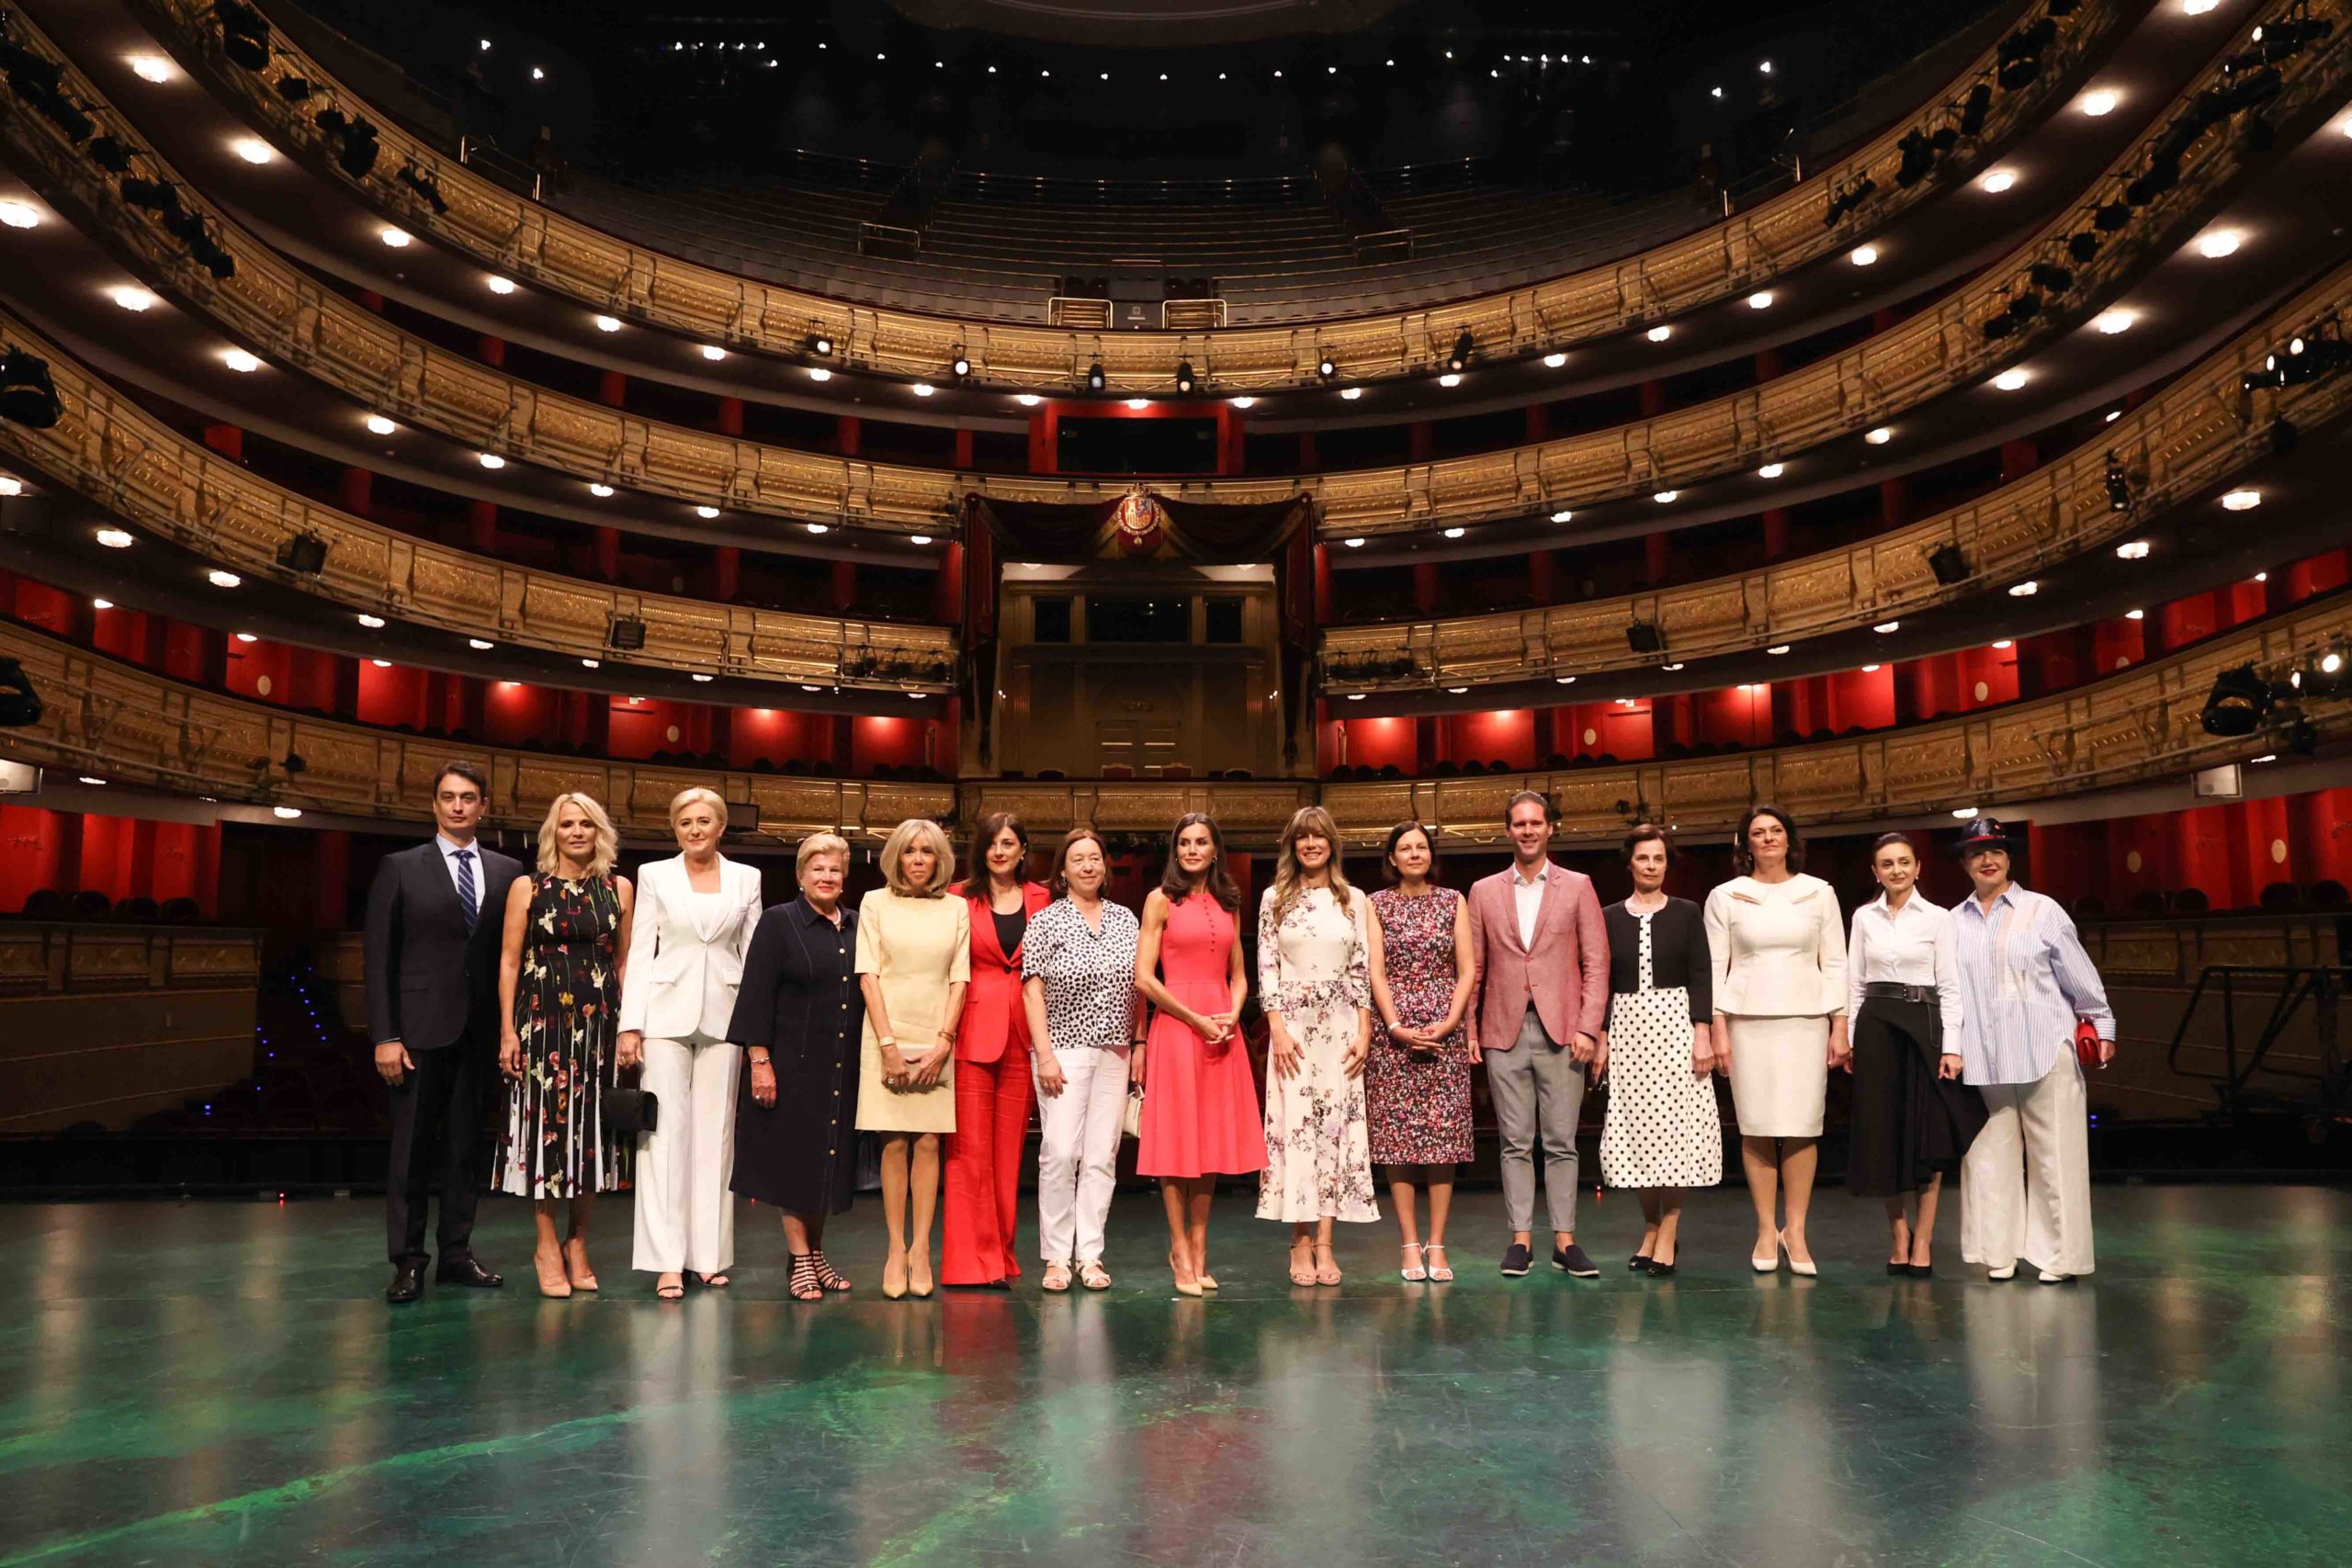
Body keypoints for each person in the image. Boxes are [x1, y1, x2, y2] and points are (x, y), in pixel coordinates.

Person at [365, 761, 524, 1303]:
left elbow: (511, 958)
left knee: (463, 1153)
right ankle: (408, 1263)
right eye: (449, 796)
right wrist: (385, 1035)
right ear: (435, 805)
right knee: (410, 1154)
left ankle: (456, 1254)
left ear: (483, 806)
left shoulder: (509, 871)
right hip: (415, 1034)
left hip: (479, 1034)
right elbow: (378, 958)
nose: (458, 805)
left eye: (469, 797)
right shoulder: (400, 867)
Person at [1949, 818, 2115, 1283]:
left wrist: (2102, 1025)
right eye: (1977, 852)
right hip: (1983, 1057)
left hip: (2045, 1049)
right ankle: (1997, 1251)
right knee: (1987, 1159)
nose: (1987, 859)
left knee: (2055, 1157)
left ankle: (2059, 1257)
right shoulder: (1952, 922)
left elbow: (2080, 977)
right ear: (1964, 862)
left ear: (2009, 859)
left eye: (1996, 852)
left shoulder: (2044, 911)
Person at [617, 786, 763, 1300]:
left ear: (721, 826)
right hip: (664, 1014)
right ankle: (666, 1261)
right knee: (662, 1138)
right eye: (686, 822)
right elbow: (639, 952)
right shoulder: (655, 875)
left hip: (727, 1016)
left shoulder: (748, 878)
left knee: (716, 1135)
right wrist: (629, 1024)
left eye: (705, 821)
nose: (695, 829)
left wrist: (760, 1031)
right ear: (674, 829)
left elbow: (755, 957)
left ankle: (708, 1256)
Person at [491, 792, 637, 1298]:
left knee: (591, 1133)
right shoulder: (527, 887)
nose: (577, 832)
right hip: (541, 1025)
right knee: (549, 1131)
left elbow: (624, 964)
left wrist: (629, 1026)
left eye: (587, 824)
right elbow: (509, 961)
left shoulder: (618, 888)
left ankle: (579, 1242)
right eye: (567, 824)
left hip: (600, 1026)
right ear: (553, 832)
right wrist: (507, 1030)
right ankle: (546, 1243)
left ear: (600, 833)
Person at [1466, 789, 1609, 1279]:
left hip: (1565, 1031)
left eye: (1536, 823)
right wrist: (1469, 1026)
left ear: (1550, 829)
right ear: (1508, 831)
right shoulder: (1483, 891)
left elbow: (1596, 962)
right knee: (1514, 1141)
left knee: (1562, 1140)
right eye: (1519, 824)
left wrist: (1590, 1026)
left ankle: (1565, 1241)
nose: (1527, 830)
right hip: (1502, 1029)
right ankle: (1521, 1239)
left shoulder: (1578, 885)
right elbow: (1475, 967)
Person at [1705, 804, 1849, 1277]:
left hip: (1807, 1018)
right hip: (1747, 1019)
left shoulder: (1819, 892)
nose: (1768, 838)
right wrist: (1718, 1025)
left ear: (1790, 839)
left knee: (1804, 1125)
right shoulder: (1725, 895)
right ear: (1746, 843)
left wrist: (1840, 1023)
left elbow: (1836, 962)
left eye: (1776, 830)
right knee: (1758, 1125)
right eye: (1758, 832)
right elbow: (1714, 967)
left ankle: (1797, 1230)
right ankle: (1767, 1229)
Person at [727, 832, 861, 1303]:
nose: (826, 877)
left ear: (844, 878)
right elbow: (756, 995)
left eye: (834, 870)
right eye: (817, 869)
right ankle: (799, 1258)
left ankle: (816, 1251)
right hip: (789, 1063)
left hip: (840, 1064)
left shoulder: (856, 925)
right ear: (802, 875)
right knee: (792, 1163)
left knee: (827, 1161)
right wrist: (759, 1061)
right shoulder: (779, 922)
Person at [1847, 831, 1985, 1278]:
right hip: (1876, 1026)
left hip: (1924, 1025)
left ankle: (1923, 1239)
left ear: (1918, 867)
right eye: (1887, 864)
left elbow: (1950, 986)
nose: (1897, 870)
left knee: (1929, 1135)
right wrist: (1848, 1039)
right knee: (1883, 1135)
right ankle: (1899, 1235)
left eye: (1904, 862)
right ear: (1875, 872)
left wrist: (1953, 1046)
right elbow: (1854, 984)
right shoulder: (1863, 917)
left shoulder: (1939, 918)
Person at [1136, 812, 1263, 1296]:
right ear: (1176, 850)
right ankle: (1179, 1249)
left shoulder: (1230, 902)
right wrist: (1194, 1017)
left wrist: (1232, 1013)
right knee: (1176, 1143)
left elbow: (1239, 974)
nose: (1191, 849)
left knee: (1210, 1141)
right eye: (1184, 842)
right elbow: (1145, 978)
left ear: (1215, 850)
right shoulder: (1159, 900)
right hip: (1178, 1025)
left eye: (1201, 842)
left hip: (1221, 1030)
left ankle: (1200, 1244)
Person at [1258, 805, 1377, 1284]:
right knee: (1296, 1131)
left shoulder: (1354, 898)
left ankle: (1325, 1243)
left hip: (1343, 1028)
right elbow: (1266, 965)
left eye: (1319, 837)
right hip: (1294, 1032)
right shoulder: (1274, 898)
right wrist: (1277, 1027)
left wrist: (1366, 1031)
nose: (1311, 844)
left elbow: (1362, 968)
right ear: (1293, 845)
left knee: (1334, 1132)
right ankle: (1298, 1242)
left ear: (1332, 844)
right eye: (1302, 837)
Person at [1022, 828, 1143, 1292]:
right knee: (1060, 1153)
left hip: (1115, 1051)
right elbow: (1032, 991)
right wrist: (1046, 1055)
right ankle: (1056, 1257)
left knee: (1101, 1156)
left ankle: (1090, 1254)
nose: (1088, 865)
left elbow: (1140, 989)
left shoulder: (1125, 920)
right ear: (1063, 872)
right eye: (1078, 860)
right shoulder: (1047, 921)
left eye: (1095, 858)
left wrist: (1140, 1046)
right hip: (1063, 1051)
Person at [856, 817, 971, 1300]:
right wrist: (888, 1047)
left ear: (940, 858)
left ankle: (922, 1248)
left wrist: (944, 1043)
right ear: (896, 857)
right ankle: (895, 1249)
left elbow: (959, 978)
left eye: (927, 851)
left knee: (929, 1144)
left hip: (937, 1033)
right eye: (909, 851)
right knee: (894, 1144)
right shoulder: (874, 902)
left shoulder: (957, 908)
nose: (918, 860)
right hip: (885, 1035)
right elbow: (868, 975)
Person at [1597, 826, 1719, 1279]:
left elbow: (1702, 974)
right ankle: (1650, 1226)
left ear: (1667, 865)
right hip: (1629, 1030)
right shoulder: (1608, 916)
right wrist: (1604, 1036)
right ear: (1630, 863)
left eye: (1659, 859)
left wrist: (1702, 1033)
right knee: (1636, 1131)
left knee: (1678, 1131)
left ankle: (1669, 1228)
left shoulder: (1688, 912)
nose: (1651, 866)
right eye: (1644, 858)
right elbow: (1603, 980)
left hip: (1676, 1026)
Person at [944, 812, 1051, 1288]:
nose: (1001, 851)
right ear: (982, 850)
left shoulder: (1043, 898)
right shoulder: (957, 897)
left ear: (1023, 849)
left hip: (1024, 1032)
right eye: (993, 844)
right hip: (970, 1029)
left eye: (1009, 843)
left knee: (1008, 1155)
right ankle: (969, 1262)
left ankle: (1002, 1258)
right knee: (968, 1152)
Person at [1365, 821, 1474, 1283]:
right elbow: (1375, 971)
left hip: (1443, 1028)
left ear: (1431, 855)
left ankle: (1438, 1243)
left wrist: (1449, 1024)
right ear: (1392, 858)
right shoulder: (1375, 904)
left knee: (1443, 1141)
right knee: (1398, 1141)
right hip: (1395, 1034)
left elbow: (1467, 969)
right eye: (1405, 848)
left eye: (1421, 847)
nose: (1414, 854)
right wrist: (1396, 1027)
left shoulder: (1454, 900)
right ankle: (1409, 1243)